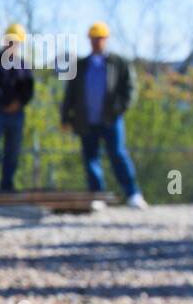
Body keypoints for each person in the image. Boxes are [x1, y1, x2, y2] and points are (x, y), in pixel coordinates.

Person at [61, 22, 147, 209]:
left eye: (99, 38)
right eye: (93, 38)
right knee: (90, 158)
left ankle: (133, 194)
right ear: (89, 40)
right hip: (86, 120)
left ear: (106, 39)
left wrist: (119, 109)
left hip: (111, 119)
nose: (96, 42)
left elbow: (130, 89)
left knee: (118, 155)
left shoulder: (119, 63)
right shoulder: (80, 65)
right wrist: (65, 117)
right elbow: (70, 93)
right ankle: (97, 195)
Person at [0, 23, 34, 193]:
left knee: (13, 151)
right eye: (11, 41)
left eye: (16, 42)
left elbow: (28, 89)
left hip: (17, 115)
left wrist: (18, 103)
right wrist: (5, 103)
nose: (13, 45)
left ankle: (7, 185)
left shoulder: (23, 66)